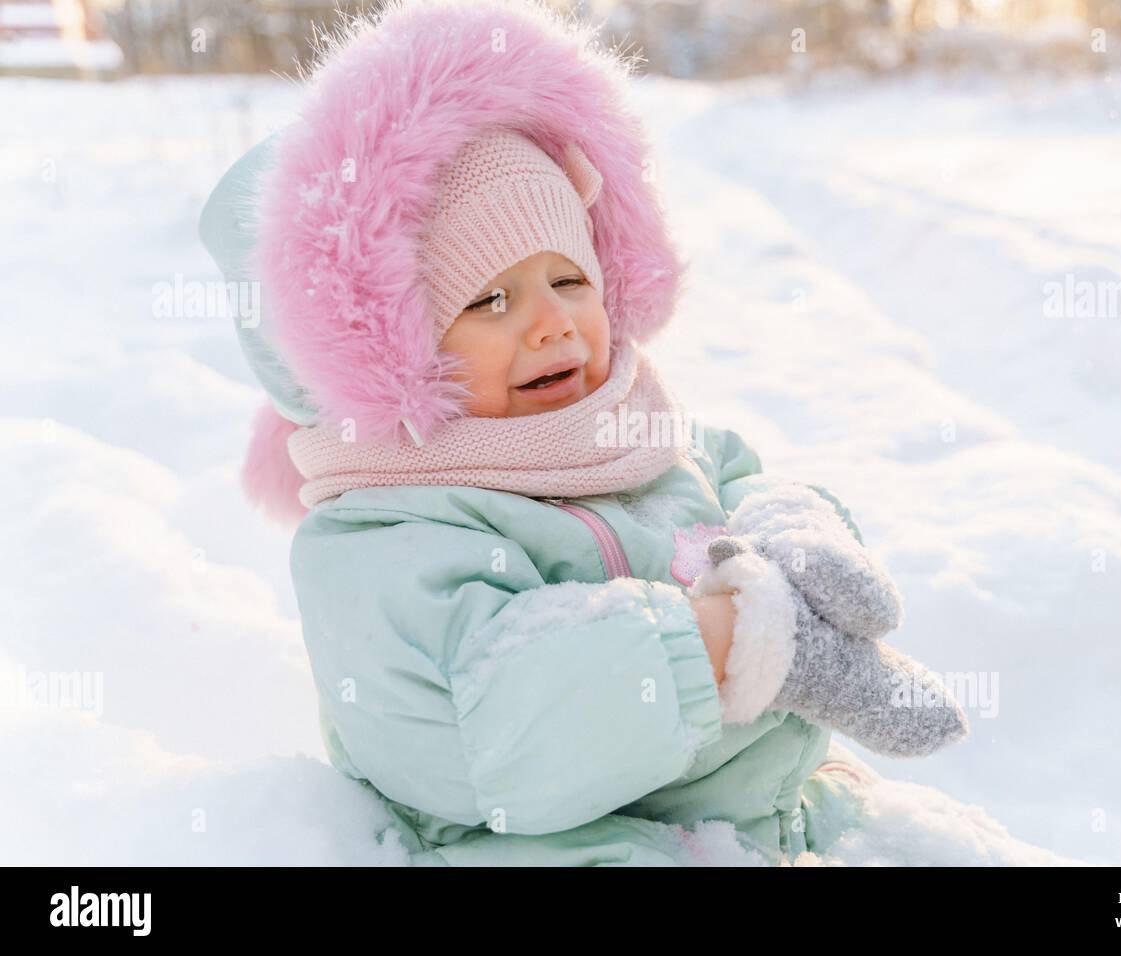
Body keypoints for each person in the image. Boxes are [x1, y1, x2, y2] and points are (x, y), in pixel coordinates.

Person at [198, 0, 967, 866]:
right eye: (489, 299)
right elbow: (483, 731)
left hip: (764, 819)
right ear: (397, 346)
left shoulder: (631, 432)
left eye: (570, 278)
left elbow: (733, 475)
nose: (554, 325)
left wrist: (792, 528)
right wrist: (723, 641)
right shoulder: (381, 536)